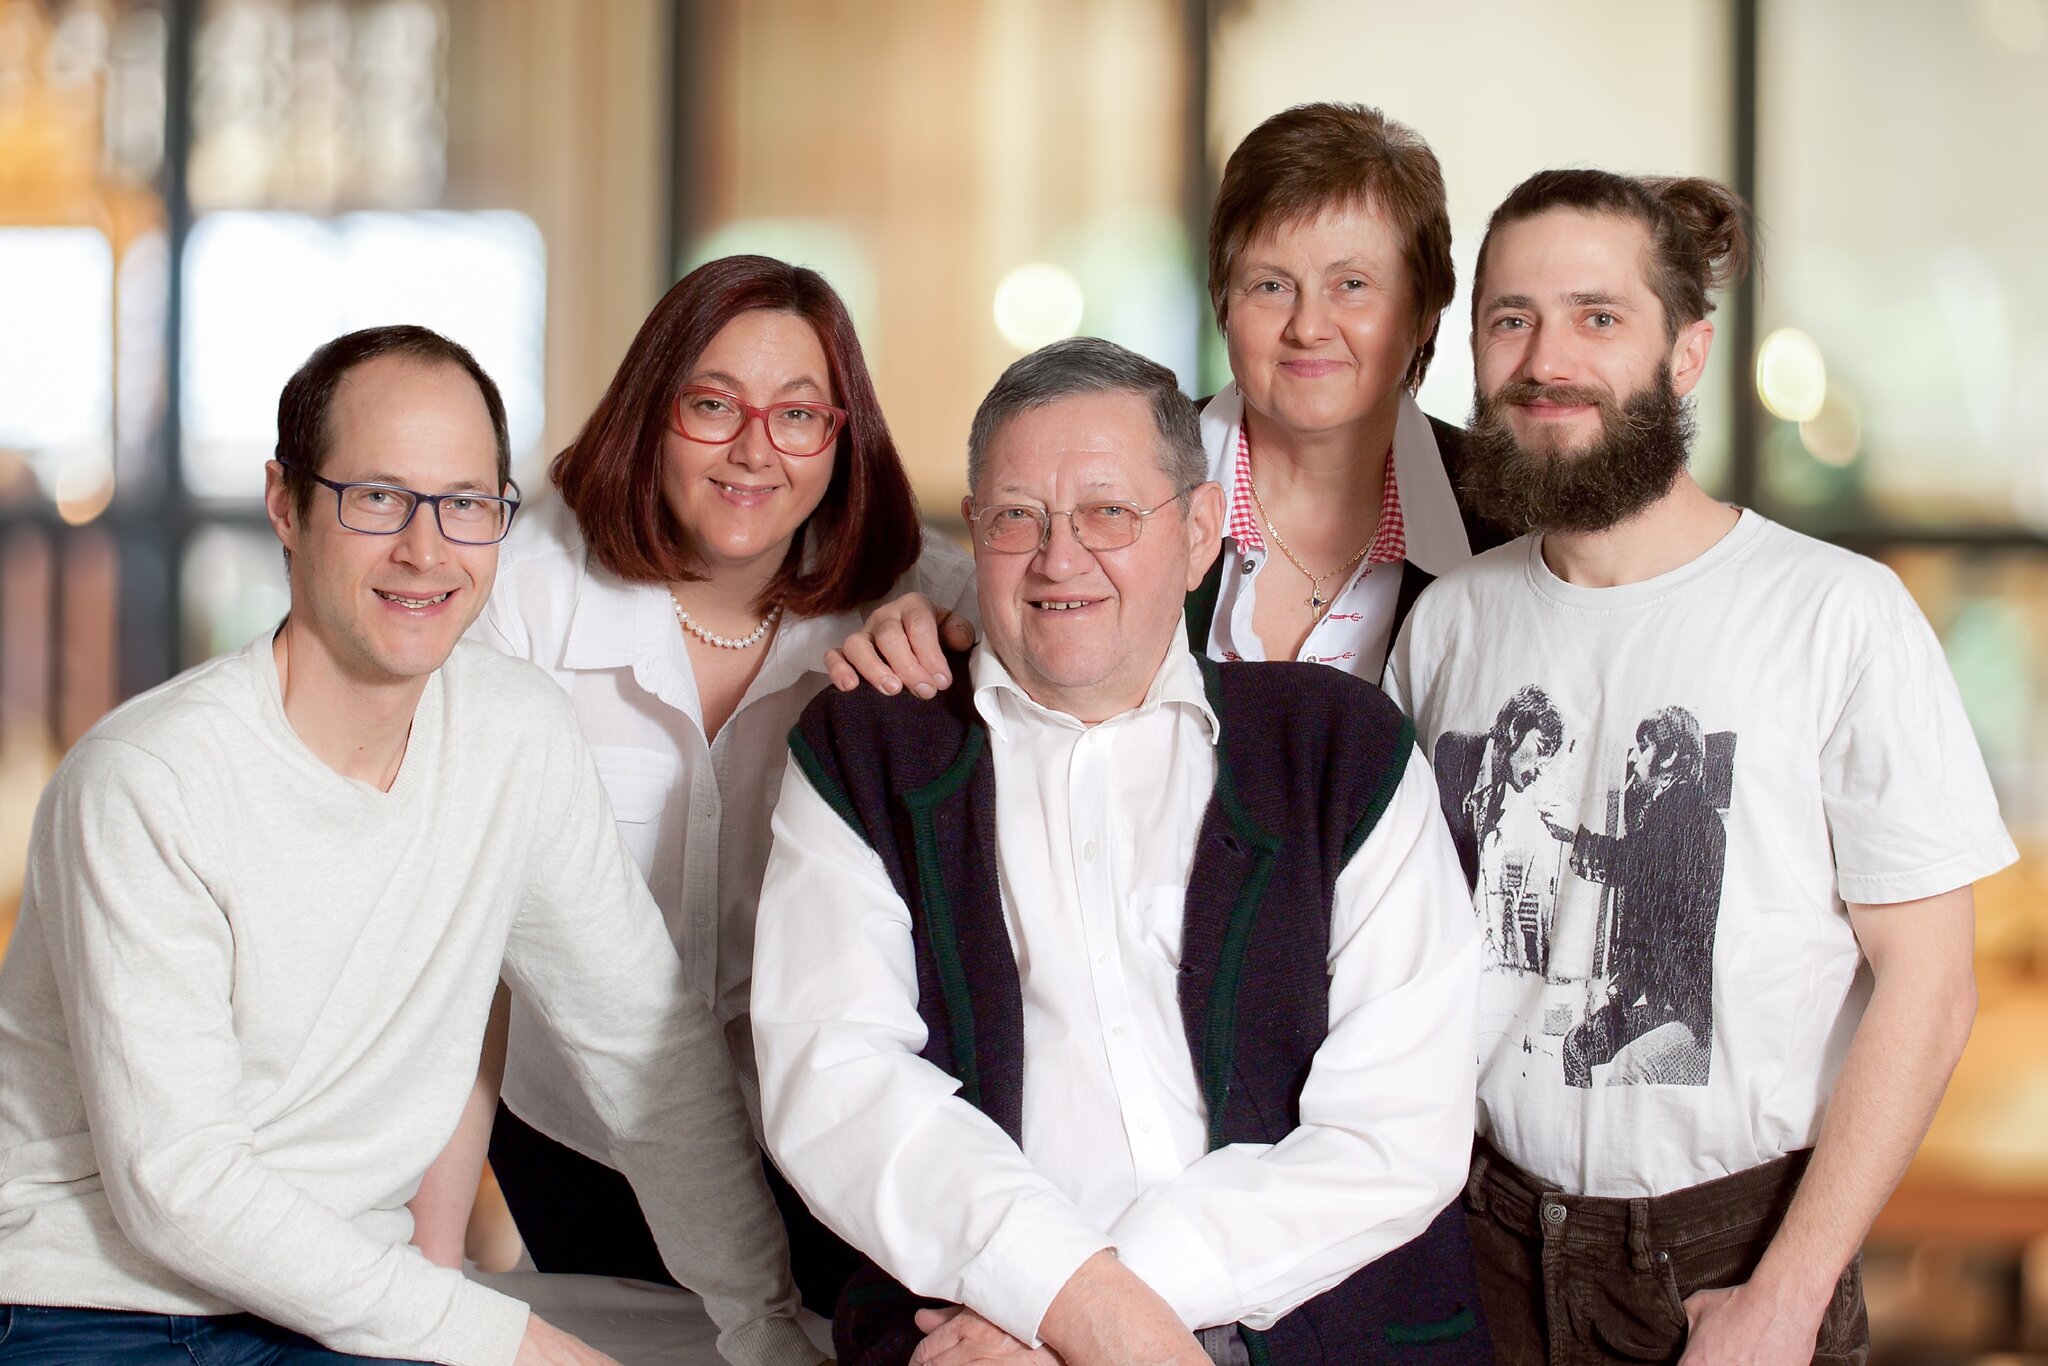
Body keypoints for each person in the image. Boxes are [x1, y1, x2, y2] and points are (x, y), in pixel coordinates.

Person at [0, 326, 818, 1366]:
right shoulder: (148, 780)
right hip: (96, 1307)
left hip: (336, 1308)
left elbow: (648, 1058)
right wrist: (507, 1340)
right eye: (378, 498)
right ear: (285, 504)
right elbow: (180, 1189)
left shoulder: (514, 733)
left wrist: (763, 1324)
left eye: (465, 504)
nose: (426, 552)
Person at [1385, 169, 2017, 1366]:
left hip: (1728, 1262)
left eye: (1597, 316)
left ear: (1686, 353)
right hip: (1473, 1238)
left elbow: (1929, 988)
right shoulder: (1448, 624)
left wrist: (1786, 1295)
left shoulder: (1835, 615)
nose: (1544, 360)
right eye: (1510, 318)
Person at [751, 337, 1487, 1366]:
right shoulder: (867, 749)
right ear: (973, 533)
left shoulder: (1339, 746)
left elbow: (1396, 1129)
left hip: (1303, 1328)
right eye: (1017, 517)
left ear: (1197, 533)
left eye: (1108, 514)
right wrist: (1065, 1296)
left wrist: (1087, 1315)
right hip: (969, 1337)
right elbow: (837, 1084)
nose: (1059, 559)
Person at [420, 255, 971, 1311]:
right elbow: (461, 946)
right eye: (713, 405)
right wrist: (429, 1264)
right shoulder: (523, 595)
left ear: (841, 437)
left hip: (829, 1143)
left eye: (798, 414)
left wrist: (968, 647)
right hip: (586, 1138)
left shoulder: (925, 599)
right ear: (651, 410)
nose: (755, 450)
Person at [827, 101, 1508, 696]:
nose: (1308, 326)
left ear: (1425, 311)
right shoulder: (1111, 477)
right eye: (1270, 285)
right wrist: (933, 636)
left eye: (1352, 285)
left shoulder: (1508, 519)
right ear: (1222, 303)